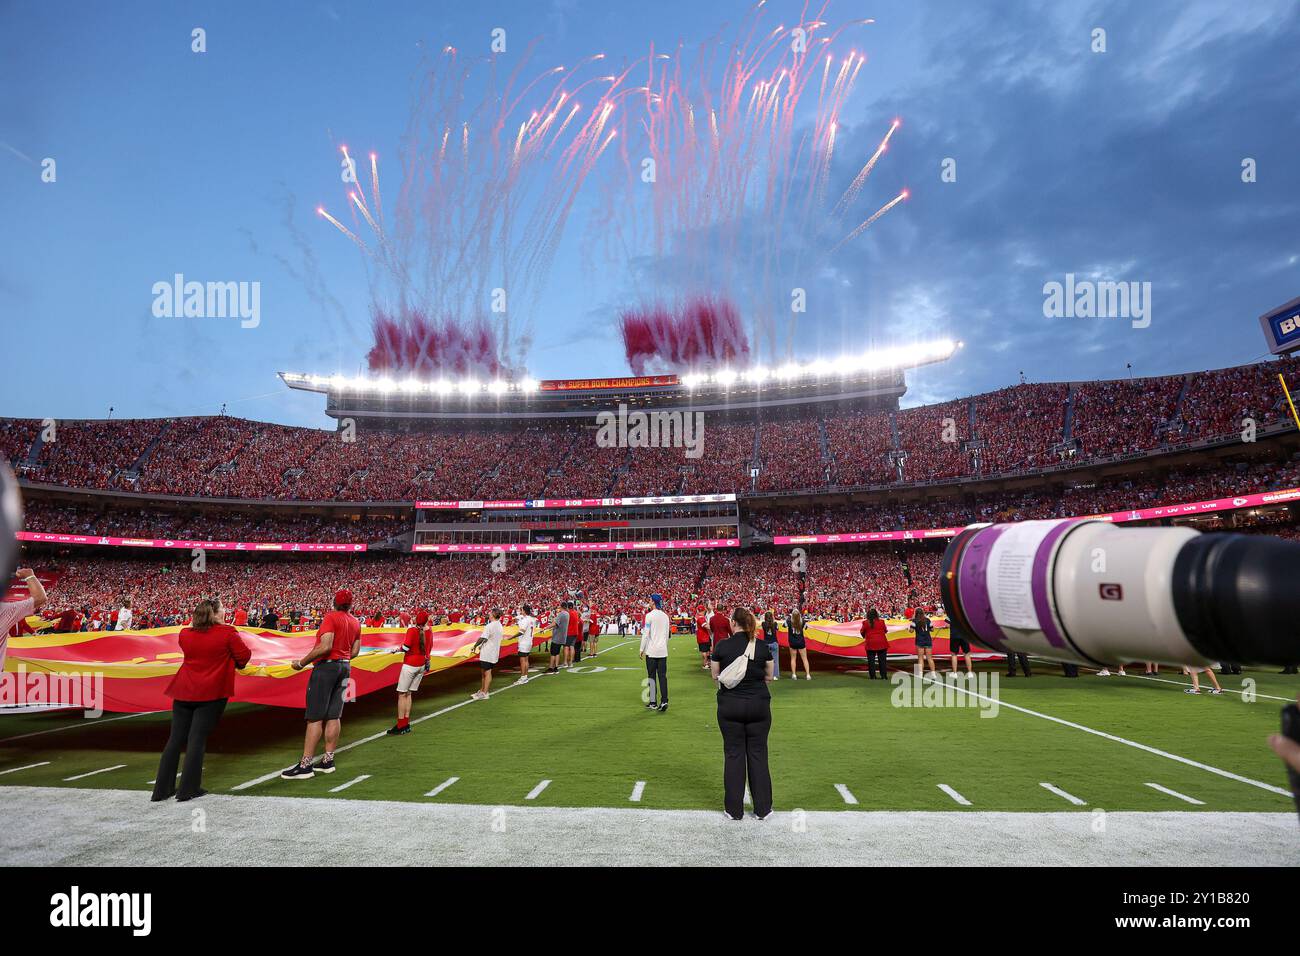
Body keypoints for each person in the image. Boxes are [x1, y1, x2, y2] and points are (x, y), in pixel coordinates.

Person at [152, 597, 251, 801]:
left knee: (175, 739)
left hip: (183, 690)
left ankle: (161, 790)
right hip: (211, 693)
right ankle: (188, 789)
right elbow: (244, 657)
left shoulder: (185, 634)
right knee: (196, 740)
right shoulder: (228, 632)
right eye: (222, 609)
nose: (225, 611)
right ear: (214, 614)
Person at [281, 588, 361, 780]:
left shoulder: (331, 618)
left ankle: (306, 765)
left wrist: (301, 663)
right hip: (345, 667)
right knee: (335, 715)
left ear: (334, 602)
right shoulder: (356, 622)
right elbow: (355, 651)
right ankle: (328, 760)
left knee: (315, 717)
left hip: (327, 668)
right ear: (351, 604)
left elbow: (325, 646)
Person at [710, 607, 775, 821]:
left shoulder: (722, 646)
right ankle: (763, 809)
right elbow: (769, 677)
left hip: (730, 706)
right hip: (758, 705)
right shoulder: (762, 646)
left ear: (733, 623)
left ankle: (734, 810)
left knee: (733, 754)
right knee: (758, 754)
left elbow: (715, 675)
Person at [387, 609, 431, 735]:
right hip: (421, 664)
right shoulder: (429, 632)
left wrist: (396, 649)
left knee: (402, 694)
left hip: (410, 664)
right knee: (409, 694)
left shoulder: (412, 630)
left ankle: (401, 724)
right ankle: (406, 723)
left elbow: (406, 647)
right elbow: (429, 648)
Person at [0, 568, 48, 672]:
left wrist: (33, 632)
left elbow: (24, 625)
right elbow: (40, 598)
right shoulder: (4, 611)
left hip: (18, 637)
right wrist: (29, 575)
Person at [641, 594, 671, 712]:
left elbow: (646, 633)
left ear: (653, 602)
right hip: (663, 651)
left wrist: (641, 649)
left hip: (652, 651)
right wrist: (664, 646)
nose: (648, 602)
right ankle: (664, 700)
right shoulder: (665, 616)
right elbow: (667, 635)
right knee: (663, 677)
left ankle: (653, 702)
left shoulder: (649, 616)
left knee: (651, 677)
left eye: (649, 600)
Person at [470, 608, 504, 700]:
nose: (488, 614)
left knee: (487, 672)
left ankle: (485, 693)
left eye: (490, 613)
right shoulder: (500, 625)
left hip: (488, 652)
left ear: (493, 615)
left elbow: (483, 638)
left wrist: (475, 645)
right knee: (485, 672)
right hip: (493, 652)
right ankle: (482, 690)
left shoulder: (490, 626)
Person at [861, 607, 889, 679]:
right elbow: (885, 631)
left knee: (871, 661)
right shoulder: (881, 622)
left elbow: (862, 632)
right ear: (876, 614)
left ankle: (873, 676)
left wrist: (865, 636)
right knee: (882, 661)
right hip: (882, 643)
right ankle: (884, 676)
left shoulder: (865, 623)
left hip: (870, 643)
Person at [911, 608, 937, 678]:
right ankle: (933, 674)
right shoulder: (928, 620)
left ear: (915, 613)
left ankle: (920, 674)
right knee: (929, 658)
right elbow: (932, 629)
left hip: (919, 641)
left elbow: (911, 630)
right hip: (928, 640)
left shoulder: (914, 621)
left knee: (920, 658)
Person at [786, 609, 811, 680]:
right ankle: (808, 675)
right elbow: (806, 628)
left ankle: (794, 675)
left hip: (792, 642)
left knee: (793, 659)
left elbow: (784, 625)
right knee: (805, 659)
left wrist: (789, 617)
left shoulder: (789, 621)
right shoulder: (802, 621)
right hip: (801, 642)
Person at [515, 603, 537, 682]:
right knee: (526, 660)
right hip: (529, 641)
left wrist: (512, 637)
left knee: (522, 660)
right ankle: (525, 676)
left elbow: (522, 631)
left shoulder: (525, 620)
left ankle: (523, 677)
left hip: (524, 642)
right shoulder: (531, 619)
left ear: (524, 611)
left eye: (521, 610)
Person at [547, 602, 569, 674]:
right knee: (557, 652)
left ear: (561, 607)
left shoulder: (561, 614)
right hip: (562, 636)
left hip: (557, 636)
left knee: (553, 653)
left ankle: (551, 667)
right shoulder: (567, 614)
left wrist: (546, 628)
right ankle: (556, 667)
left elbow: (554, 623)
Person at [761, 610, 780, 679]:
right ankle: (775, 675)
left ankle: (766, 674)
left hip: (766, 643)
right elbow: (777, 629)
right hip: (774, 642)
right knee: (775, 660)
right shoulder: (775, 624)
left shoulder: (763, 624)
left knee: (765, 660)